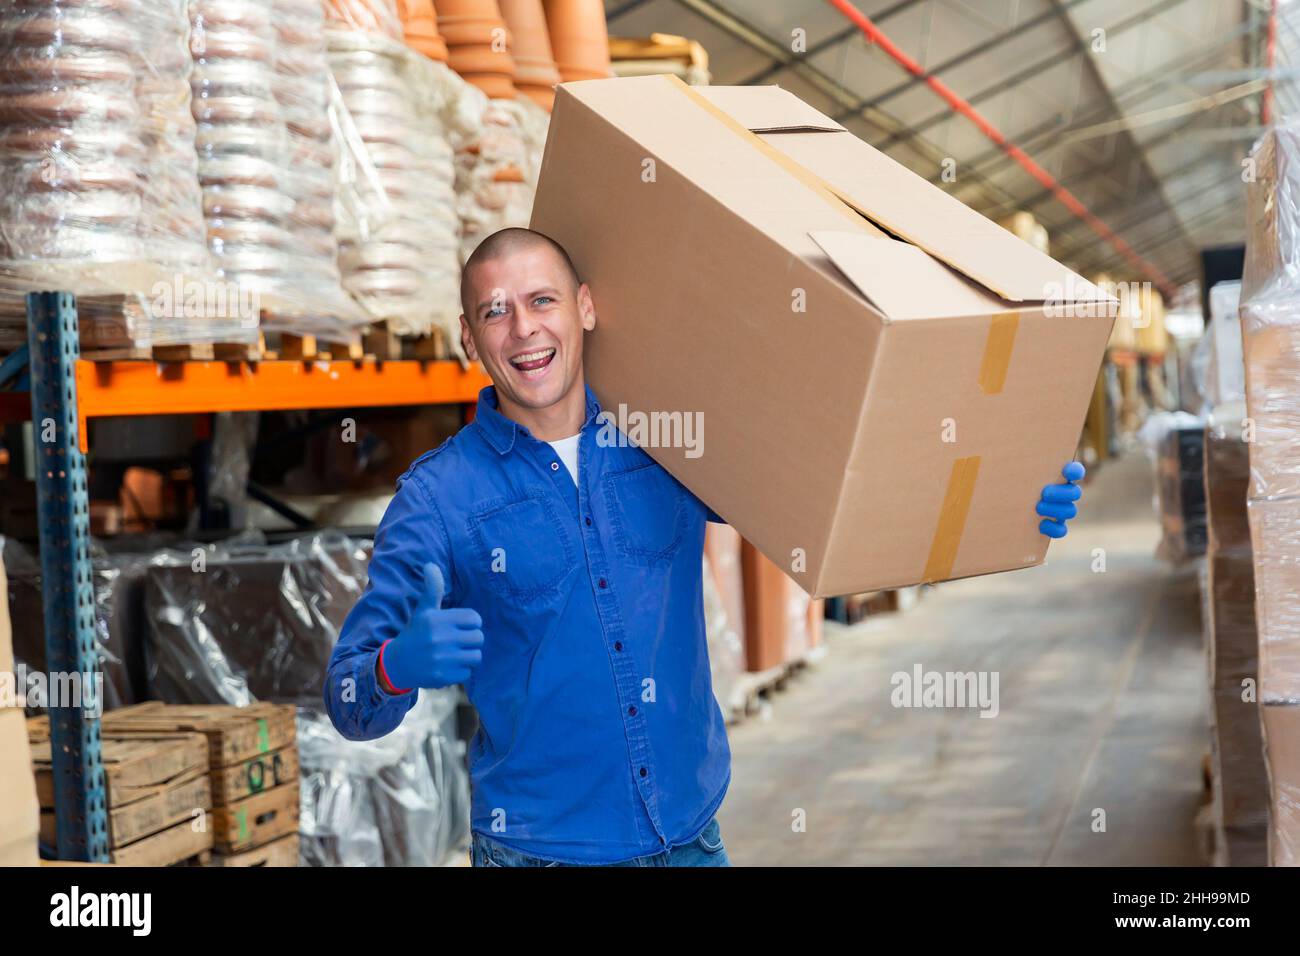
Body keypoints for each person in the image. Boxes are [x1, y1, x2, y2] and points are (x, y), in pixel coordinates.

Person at [323, 227, 1087, 867]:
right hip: (542, 851)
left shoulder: (668, 445)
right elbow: (347, 701)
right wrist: (395, 665)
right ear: (468, 337)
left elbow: (839, 500)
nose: (523, 329)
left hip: (689, 834)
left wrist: (1006, 501)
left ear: (585, 309)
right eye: (495, 312)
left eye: (541, 300)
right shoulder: (438, 498)